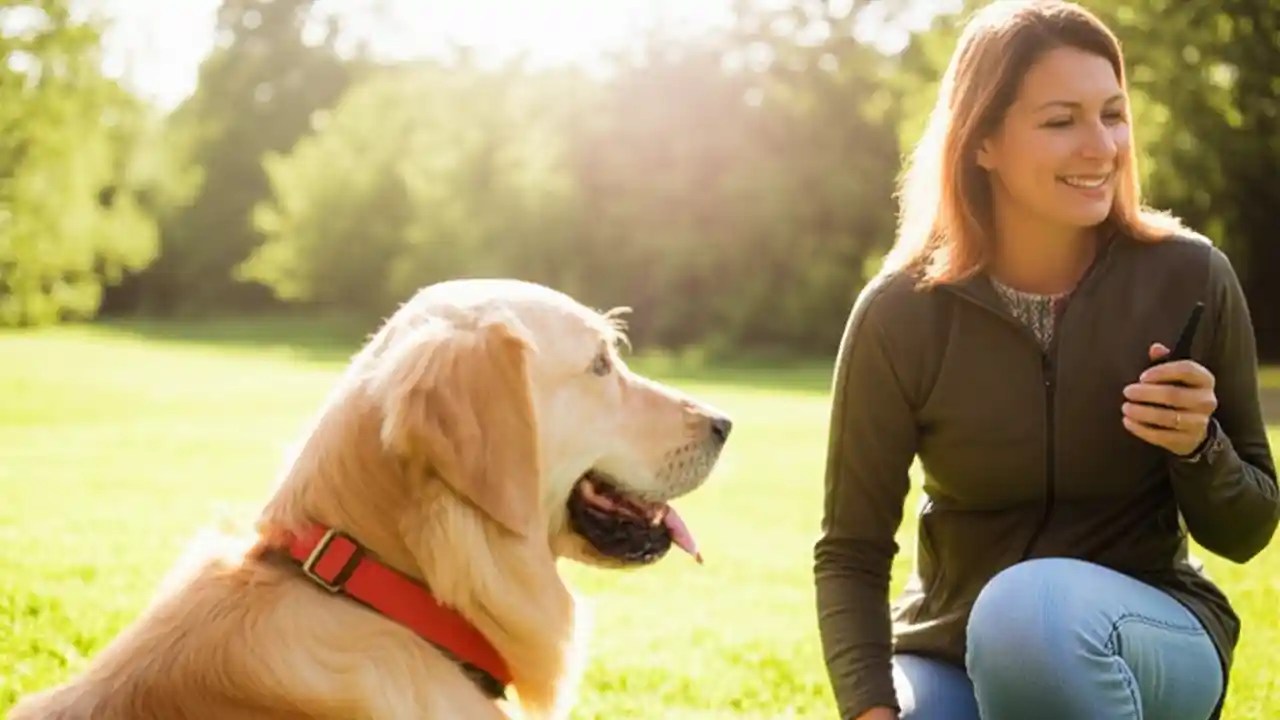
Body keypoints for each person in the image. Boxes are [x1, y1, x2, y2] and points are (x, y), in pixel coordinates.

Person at [812, 1, 1278, 719]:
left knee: (1028, 613)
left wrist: (1198, 448)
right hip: (950, 645)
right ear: (983, 142)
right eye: (1061, 121)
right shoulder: (900, 313)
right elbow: (850, 550)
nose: (1102, 146)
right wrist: (872, 708)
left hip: (1153, 632)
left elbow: (1248, 530)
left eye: (1113, 115)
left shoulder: (1191, 278)